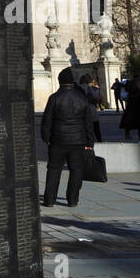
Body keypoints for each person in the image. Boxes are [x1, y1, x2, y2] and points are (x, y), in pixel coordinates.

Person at [41, 67, 94, 208]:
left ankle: (49, 199)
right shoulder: (81, 98)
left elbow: (47, 121)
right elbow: (88, 122)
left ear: (60, 81)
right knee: (76, 170)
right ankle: (72, 200)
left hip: (58, 139)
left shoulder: (54, 98)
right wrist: (90, 142)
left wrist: (46, 138)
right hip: (78, 140)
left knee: (53, 169)